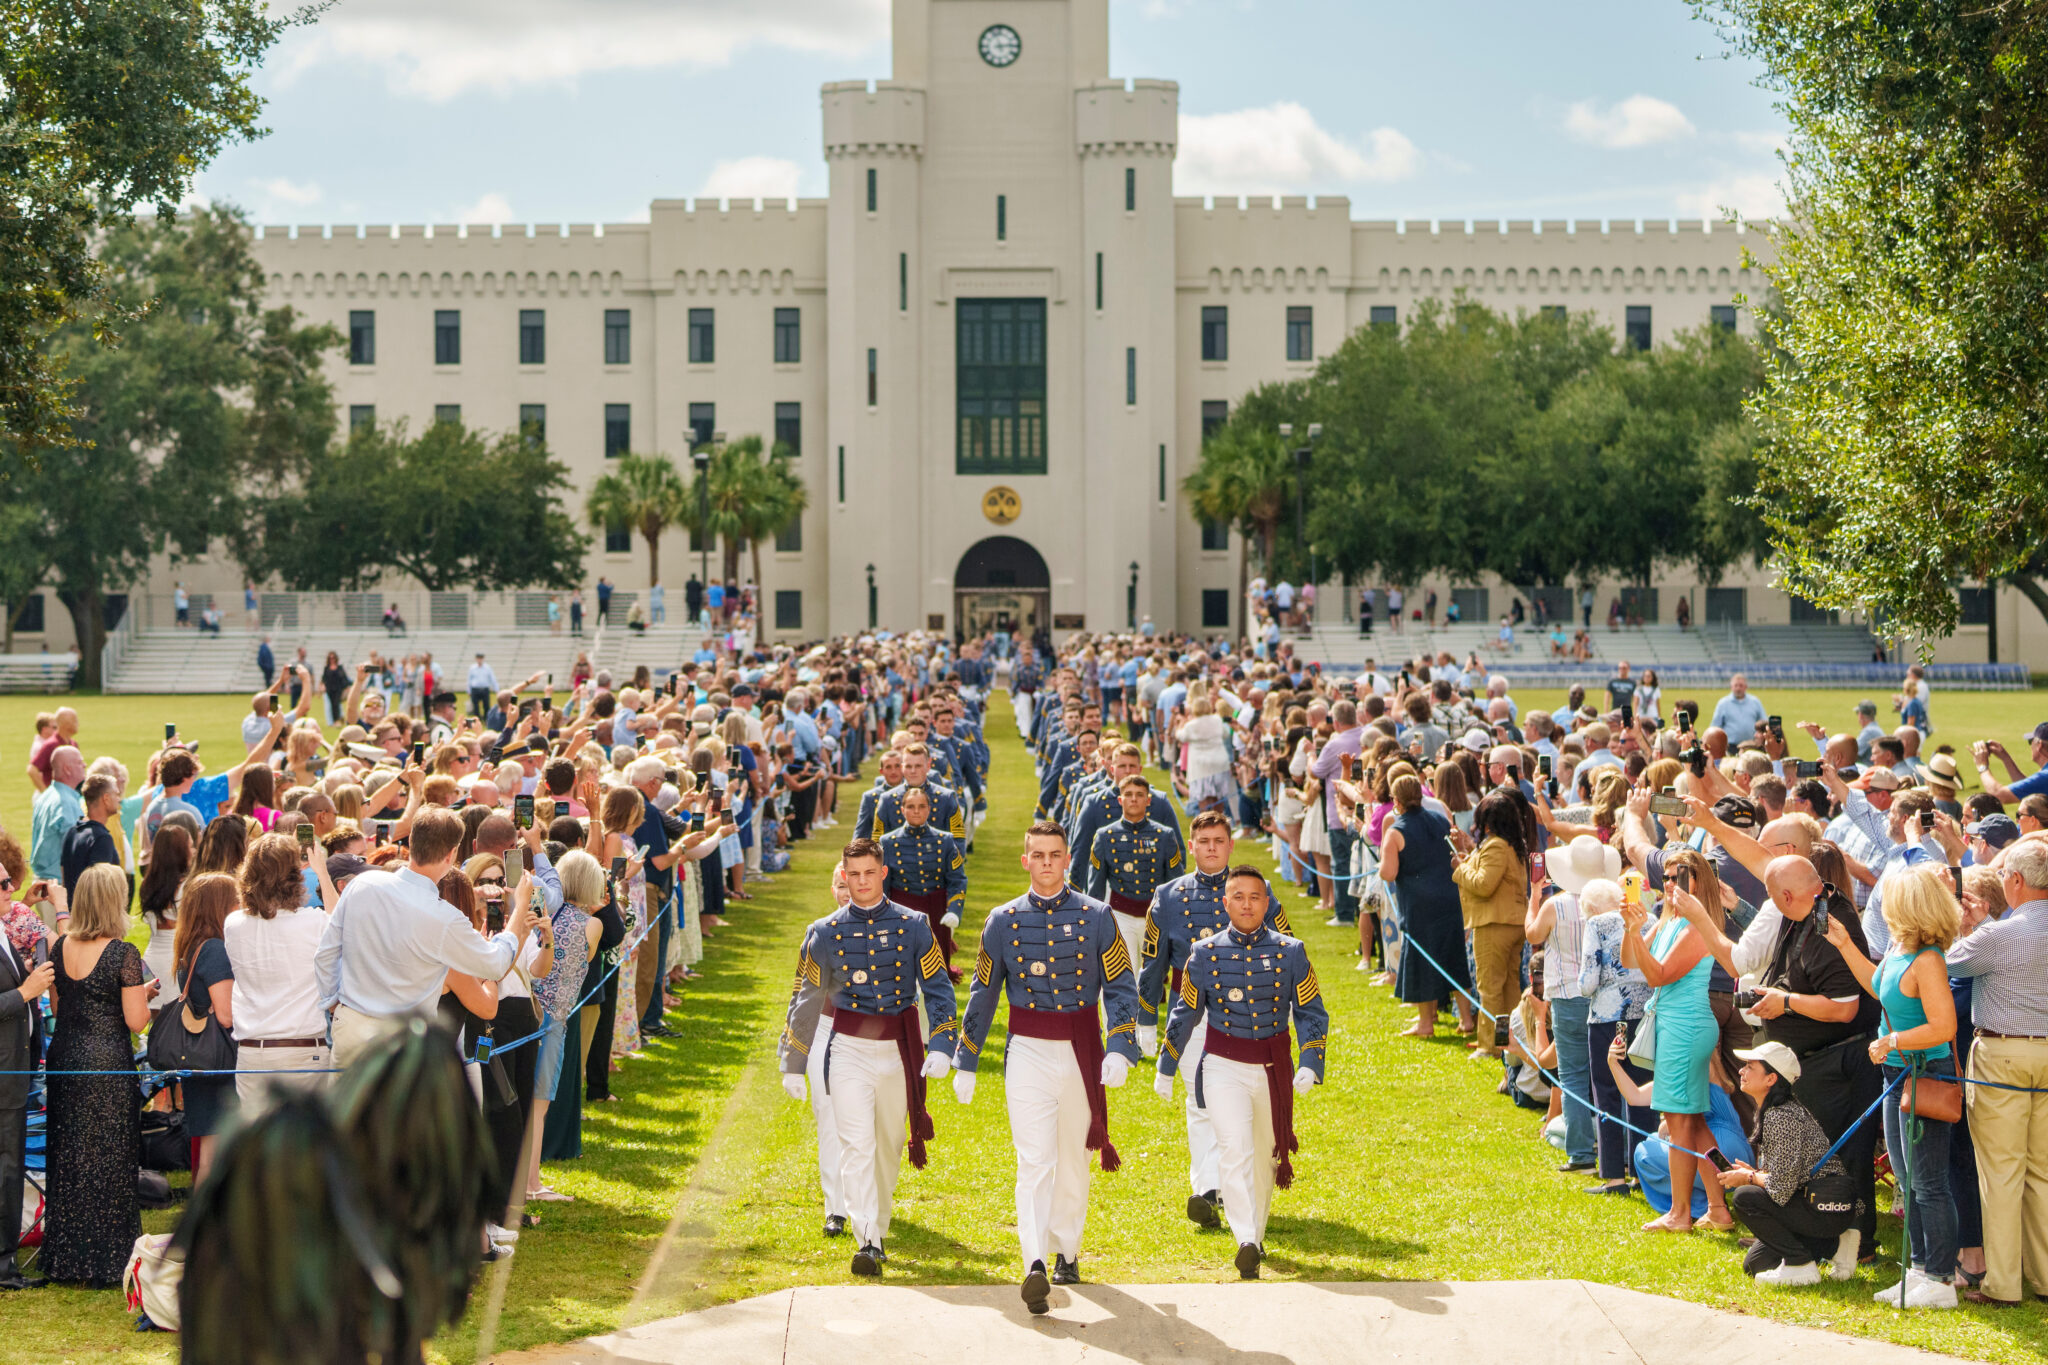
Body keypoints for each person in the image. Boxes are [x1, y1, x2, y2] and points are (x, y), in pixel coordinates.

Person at [954, 821, 1141, 1314]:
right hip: (1028, 1051)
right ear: (1026, 860)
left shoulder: (1098, 916)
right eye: (1037, 855)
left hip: (1081, 1051)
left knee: (1073, 1158)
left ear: (1066, 860)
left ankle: (1067, 1248)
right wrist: (966, 1058)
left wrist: (1120, 1045)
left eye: (1054, 855)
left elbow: (1122, 985)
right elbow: (983, 991)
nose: (1046, 863)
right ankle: (1034, 1261)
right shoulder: (1001, 919)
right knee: (1034, 1159)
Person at [777, 839, 957, 1277]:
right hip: (848, 1049)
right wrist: (793, 1061)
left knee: (888, 1144)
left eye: (868, 873)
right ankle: (868, 1240)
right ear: (844, 876)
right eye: (852, 875)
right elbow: (807, 998)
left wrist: (942, 1044)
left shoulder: (915, 925)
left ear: (882, 873)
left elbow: (937, 987)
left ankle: (878, 1220)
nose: (860, 882)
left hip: (898, 1048)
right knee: (856, 1144)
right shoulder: (824, 931)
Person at [1156, 865, 1327, 1279]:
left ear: (1266, 904)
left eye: (1255, 897)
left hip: (1272, 1068)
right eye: (1239, 897)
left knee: (1266, 1156)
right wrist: (1167, 1064)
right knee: (1233, 1149)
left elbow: (1311, 1011)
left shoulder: (1291, 951)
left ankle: (1257, 1230)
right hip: (1222, 1066)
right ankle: (1245, 1239)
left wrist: (1310, 1062)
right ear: (1225, 902)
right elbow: (1185, 1012)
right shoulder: (1204, 953)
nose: (1247, 904)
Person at [1136, 811, 1288, 1226]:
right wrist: (1146, 1017)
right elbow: (1153, 960)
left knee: (1237, 1105)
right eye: (1203, 841)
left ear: (1230, 844)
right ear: (1191, 846)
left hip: (1247, 1016)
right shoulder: (1168, 895)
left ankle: (1218, 1186)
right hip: (1190, 1013)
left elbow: (1283, 946)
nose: (1211, 848)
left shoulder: (1259, 890)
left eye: (1219, 840)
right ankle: (1207, 1188)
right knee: (1200, 1099)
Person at [1822, 865, 1960, 1307]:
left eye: (1888, 899)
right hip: (1896, 1076)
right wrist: (1845, 945)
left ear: (1909, 906)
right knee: (1907, 1178)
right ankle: (1919, 1269)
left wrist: (1893, 1040)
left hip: (1924, 1077)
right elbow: (1879, 987)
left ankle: (1939, 1278)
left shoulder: (1929, 959)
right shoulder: (1901, 949)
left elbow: (1944, 1026)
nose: (1880, 905)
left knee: (1929, 1182)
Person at [315, 805, 535, 1067]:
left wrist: (333, 1004)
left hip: (356, 1026)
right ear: (451, 854)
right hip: (402, 1039)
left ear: (411, 841)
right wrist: (521, 906)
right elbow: (496, 964)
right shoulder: (443, 917)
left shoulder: (364, 885)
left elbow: (327, 952)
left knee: (349, 1109)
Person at [1943, 837, 2048, 1307]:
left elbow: (1943, 963)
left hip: (2003, 1055)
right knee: (2043, 1173)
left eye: (2006, 874)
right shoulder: (2004, 929)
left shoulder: (2003, 933)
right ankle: (2045, 1280)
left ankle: (2004, 1285)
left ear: (2019, 881)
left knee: (2002, 1173)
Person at [43, 864, 153, 1287]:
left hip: (66, 1059)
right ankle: (110, 1258)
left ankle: (67, 1256)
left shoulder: (60, 947)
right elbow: (137, 1021)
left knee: (69, 1155)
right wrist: (142, 993)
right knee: (110, 1158)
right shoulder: (122, 953)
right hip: (106, 1064)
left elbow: (56, 1007)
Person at [1620, 850, 1730, 1233]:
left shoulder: (1698, 926)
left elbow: (1657, 976)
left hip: (1685, 1028)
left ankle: (1680, 1214)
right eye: (1665, 876)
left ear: (1697, 880)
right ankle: (1717, 1208)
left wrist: (1637, 934)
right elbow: (1630, 961)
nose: (1668, 883)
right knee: (1693, 1123)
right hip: (1676, 1026)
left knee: (1679, 1121)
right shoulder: (1669, 920)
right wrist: (1629, 926)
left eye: (1677, 876)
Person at [1719, 1040, 1863, 1286]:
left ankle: (1801, 1266)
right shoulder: (1777, 1110)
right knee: (1755, 1265)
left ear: (1771, 1079)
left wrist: (1749, 1178)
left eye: (1750, 1067)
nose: (1742, 1070)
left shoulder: (1780, 1116)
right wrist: (1755, 1172)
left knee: (1744, 1196)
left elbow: (1782, 1189)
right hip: (1814, 1204)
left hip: (1823, 1206)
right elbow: (1786, 1176)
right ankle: (1836, 1246)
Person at [226, 833, 334, 1114]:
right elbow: (341, 921)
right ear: (293, 876)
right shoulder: (313, 922)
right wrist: (321, 871)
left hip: (252, 1053)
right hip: (300, 1051)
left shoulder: (234, 924)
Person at [1528, 836, 1605, 1173]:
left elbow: (1532, 935)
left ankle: (1581, 1153)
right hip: (1603, 995)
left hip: (1566, 996)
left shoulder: (1554, 905)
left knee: (1573, 1075)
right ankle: (1616, 1149)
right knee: (1608, 1074)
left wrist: (1534, 896)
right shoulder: (1609, 902)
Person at [1382, 774, 1475, 1039]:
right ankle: (1467, 1020)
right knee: (1453, 956)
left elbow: (1388, 873)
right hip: (1448, 897)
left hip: (1418, 905)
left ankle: (1425, 1024)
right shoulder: (1440, 820)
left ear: (1396, 801)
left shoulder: (1396, 831)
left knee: (1420, 959)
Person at [0, 888, 54, 1290]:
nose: (10, 890)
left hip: (18, 1066)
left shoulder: (6, 927)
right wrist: (26, 990)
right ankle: (4, 1268)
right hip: (5, 1073)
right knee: (7, 1166)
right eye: (2, 885)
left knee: (11, 1163)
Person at [171, 871, 240, 1179]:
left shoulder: (189, 947)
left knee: (211, 1160)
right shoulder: (214, 948)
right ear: (220, 906)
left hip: (200, 1060)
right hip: (220, 1061)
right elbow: (226, 1014)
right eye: (236, 900)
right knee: (217, 1160)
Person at [1454, 790, 1532, 1061]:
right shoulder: (1512, 843)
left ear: (1487, 820)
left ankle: (1490, 1045)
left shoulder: (1496, 845)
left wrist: (1460, 867)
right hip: (1511, 923)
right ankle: (1510, 1041)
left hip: (1495, 924)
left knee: (1489, 988)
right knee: (1509, 986)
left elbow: (1484, 885)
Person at [1710, 673, 1766, 742]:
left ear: (1746, 687)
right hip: (1730, 746)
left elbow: (1764, 722)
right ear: (1731, 687)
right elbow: (1715, 727)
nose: (1738, 688)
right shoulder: (1723, 703)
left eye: (1741, 685)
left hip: (1751, 745)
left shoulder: (1755, 702)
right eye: (1736, 685)